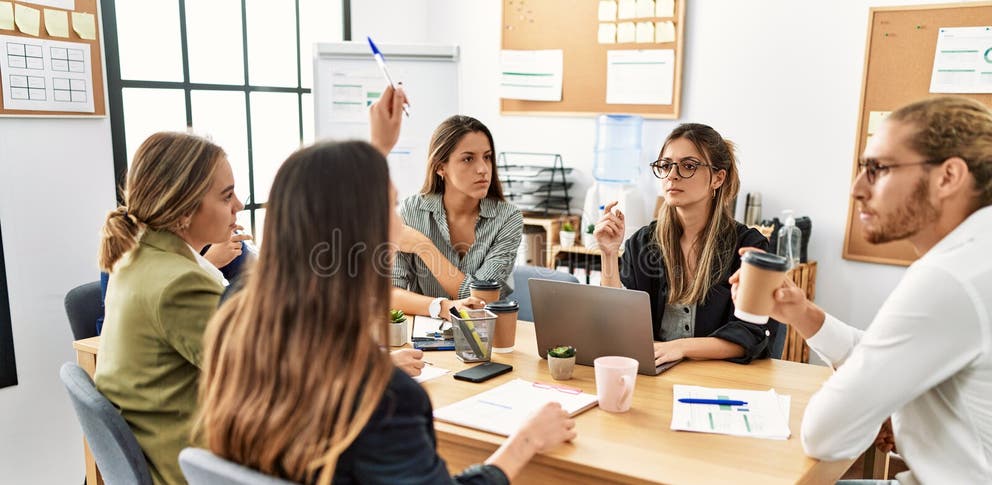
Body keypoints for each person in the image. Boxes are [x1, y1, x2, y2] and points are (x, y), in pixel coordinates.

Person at [196, 85, 576, 485]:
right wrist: (525, 441)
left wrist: (378, 146)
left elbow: (330, 202)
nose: (400, 225)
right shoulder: (386, 398)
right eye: (389, 209)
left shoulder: (237, 314)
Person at [730, 96, 992, 484]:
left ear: (948, 177)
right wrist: (802, 313)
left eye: (878, 169)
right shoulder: (977, 254)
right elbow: (887, 353)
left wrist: (877, 405)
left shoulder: (948, 277)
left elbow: (824, 435)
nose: (856, 189)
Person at [95, 132, 244, 485]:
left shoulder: (134, 258)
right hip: (187, 467)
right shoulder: (177, 283)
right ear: (184, 209)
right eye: (226, 195)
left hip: (161, 450)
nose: (238, 204)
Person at [593, 123, 775, 367]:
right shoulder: (644, 242)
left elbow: (749, 334)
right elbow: (617, 319)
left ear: (718, 178)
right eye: (666, 165)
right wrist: (609, 253)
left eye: (688, 166)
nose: (672, 175)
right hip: (655, 372)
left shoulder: (748, 247)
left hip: (720, 377)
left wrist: (678, 348)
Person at [390, 114, 523, 320]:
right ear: (440, 167)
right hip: (426, 340)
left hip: (485, 338)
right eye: (468, 159)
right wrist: (443, 307)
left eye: (487, 157)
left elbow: (479, 301)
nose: (483, 169)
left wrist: (424, 247)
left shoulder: (508, 218)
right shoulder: (411, 211)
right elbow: (390, 294)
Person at [95, 230, 254, 335]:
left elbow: (254, 292)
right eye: (224, 197)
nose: (237, 205)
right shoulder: (128, 243)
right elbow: (151, 315)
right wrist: (207, 264)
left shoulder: (218, 235)